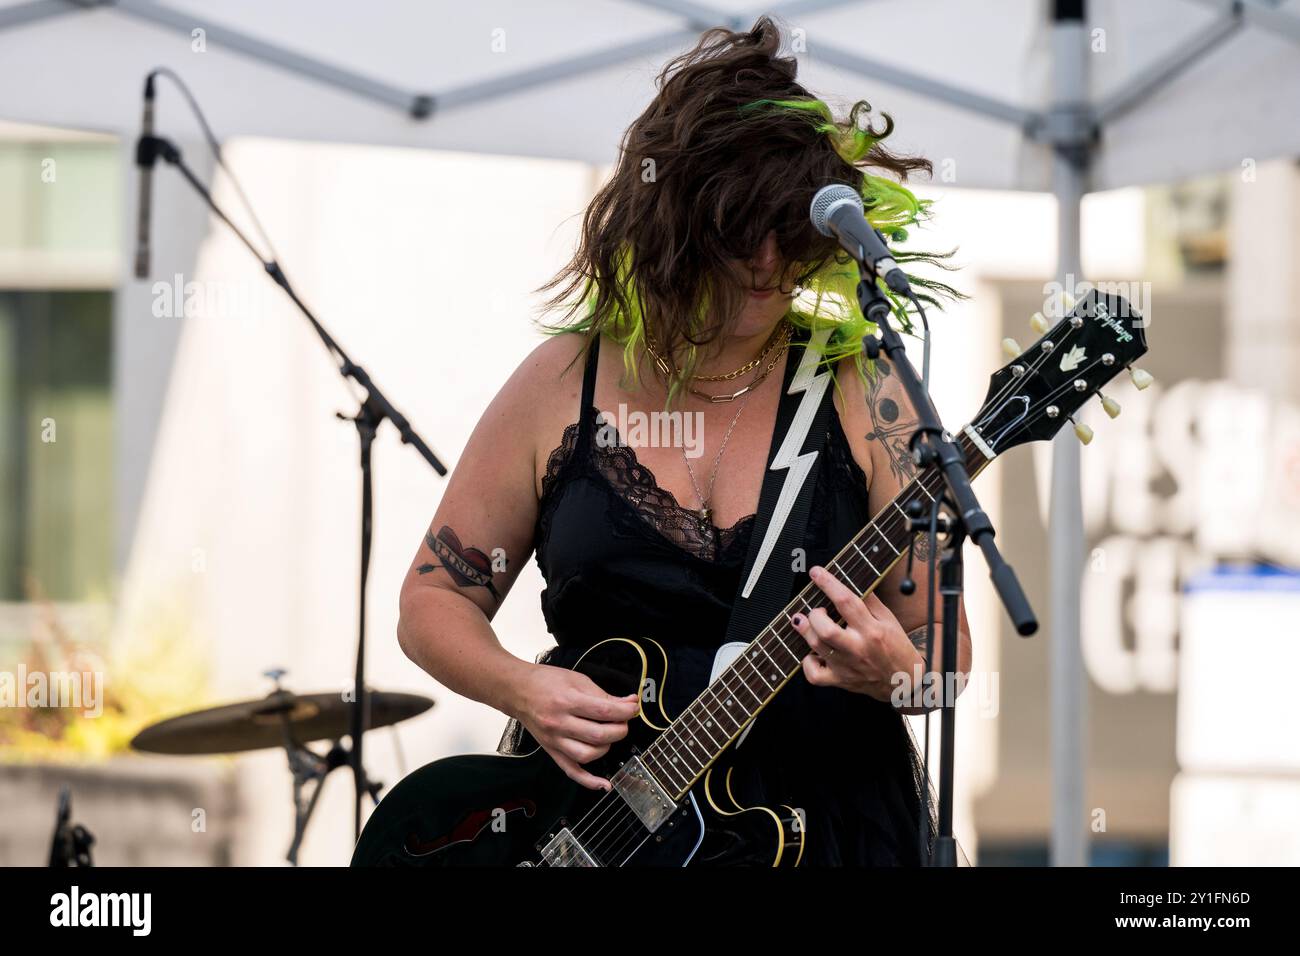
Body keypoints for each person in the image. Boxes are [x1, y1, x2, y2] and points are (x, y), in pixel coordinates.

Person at [396, 16, 972, 866]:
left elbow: (947, 660)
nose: (769, 262)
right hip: (596, 831)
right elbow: (432, 603)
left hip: (831, 830)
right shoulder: (563, 382)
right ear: (669, 220)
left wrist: (894, 672)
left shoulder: (867, 388)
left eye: (792, 233)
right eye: (742, 231)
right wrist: (522, 687)